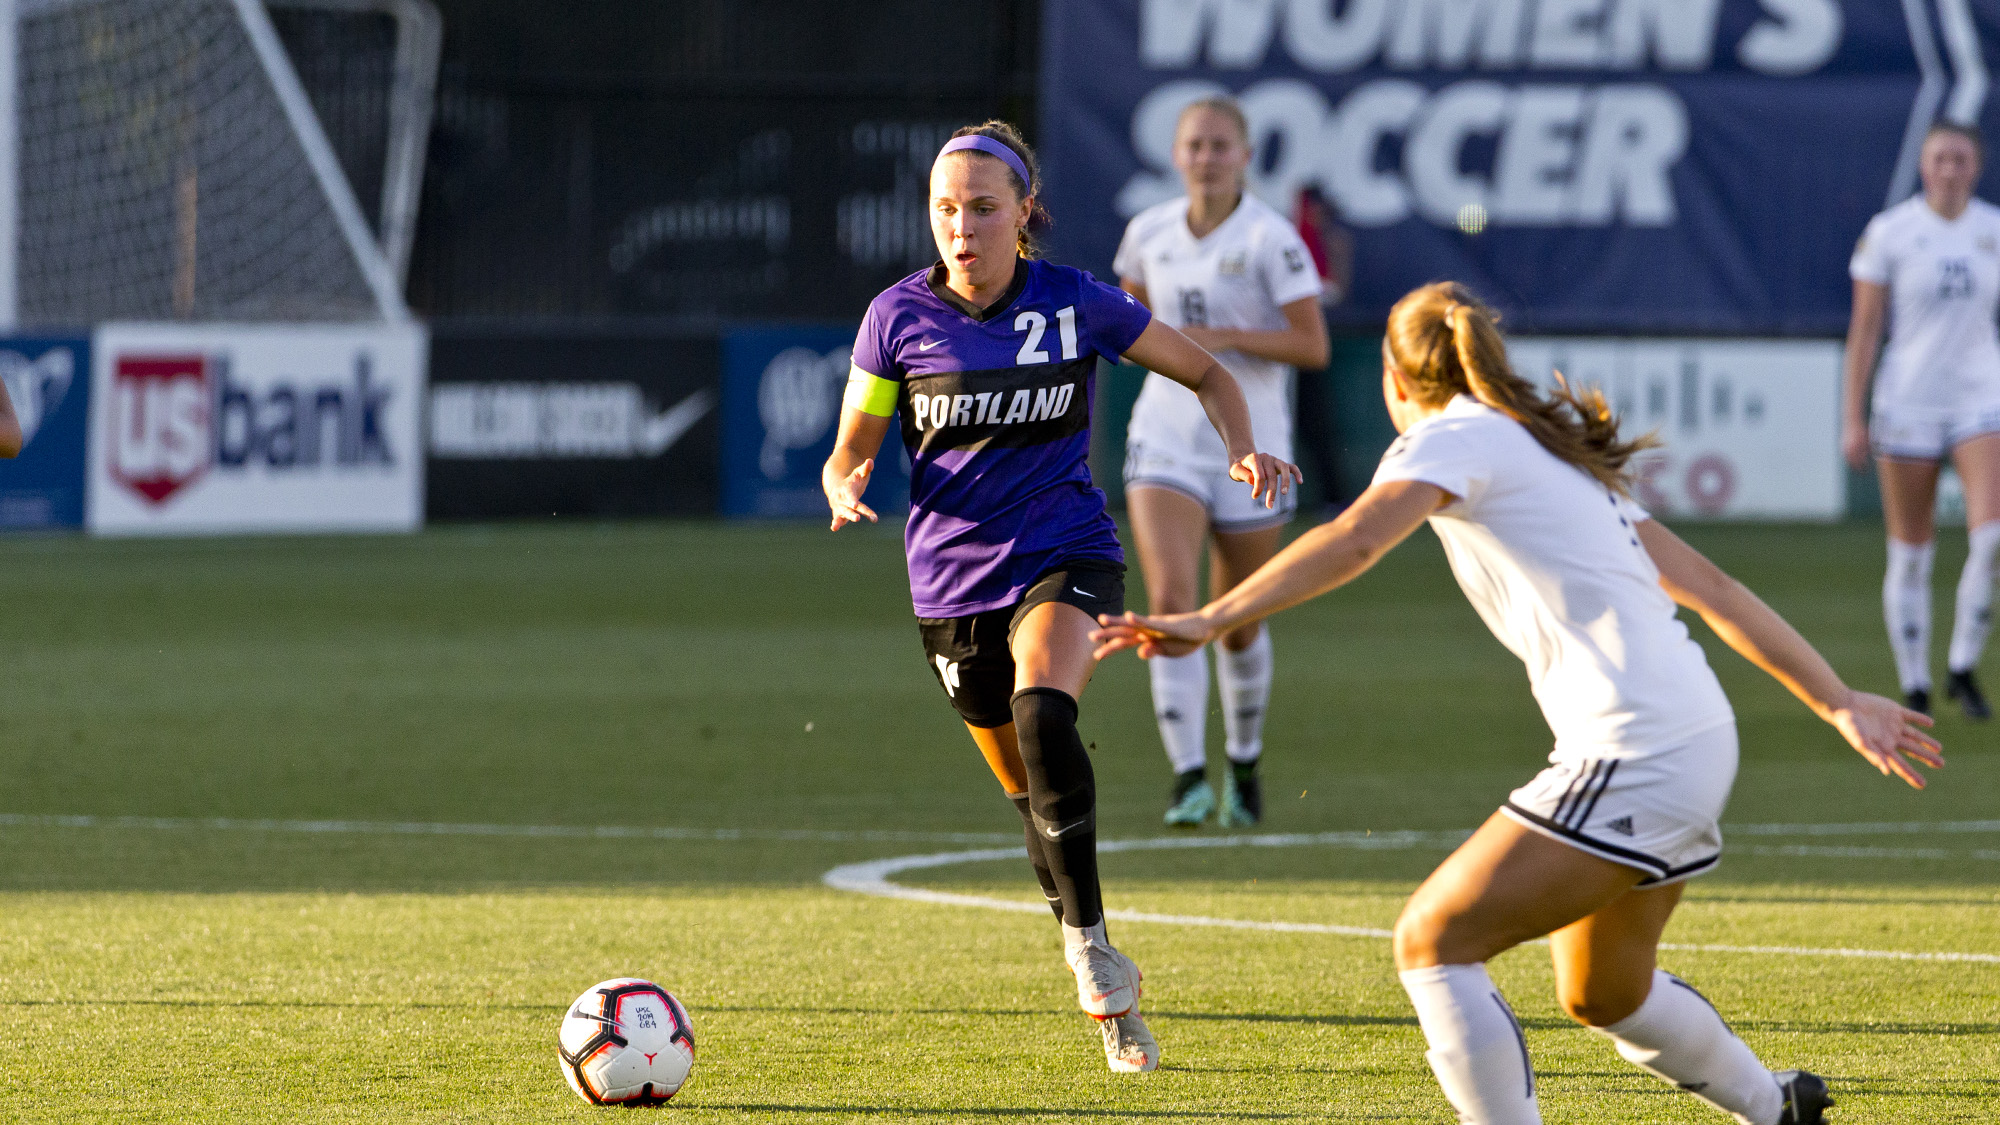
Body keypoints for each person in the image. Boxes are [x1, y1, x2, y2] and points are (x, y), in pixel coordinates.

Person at [1093, 282, 1943, 1124]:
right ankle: (1778, 1107)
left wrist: (1212, 615)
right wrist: (1834, 700)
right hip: (1695, 736)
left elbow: (1354, 538)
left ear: (1394, 379)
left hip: (1634, 748)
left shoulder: (1450, 435)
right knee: (1606, 991)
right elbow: (1715, 589)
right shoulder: (1549, 454)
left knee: (1432, 943)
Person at [823, 121, 1300, 1074]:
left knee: (1045, 715)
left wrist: (1239, 442)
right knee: (1026, 797)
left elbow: (1204, 368)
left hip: (1065, 549)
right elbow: (857, 439)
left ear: (1024, 213)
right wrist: (844, 478)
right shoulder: (897, 318)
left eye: (983, 210)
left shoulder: (1077, 301)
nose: (961, 229)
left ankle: (1097, 966)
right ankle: (1083, 930)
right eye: (945, 210)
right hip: (949, 584)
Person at [1113, 96, 1330, 828]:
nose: (1206, 157)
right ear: (1176, 155)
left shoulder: (1273, 239)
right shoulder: (1147, 233)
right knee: (1172, 599)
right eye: (1194, 145)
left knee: (1235, 619)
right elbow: (1132, 318)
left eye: (1220, 145)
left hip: (1254, 446)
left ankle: (1243, 760)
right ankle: (1187, 777)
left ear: (1244, 155)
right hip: (1168, 437)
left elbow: (1313, 345)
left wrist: (1221, 337)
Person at [1844, 121, 2000, 719]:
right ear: (1924, 167)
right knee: (1911, 553)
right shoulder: (1891, 233)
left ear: (1976, 167)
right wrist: (1852, 418)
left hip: (1979, 398)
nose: (1950, 168)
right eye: (1940, 158)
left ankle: (1962, 665)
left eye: (1961, 158)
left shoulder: (1991, 230)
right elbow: (1864, 331)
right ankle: (1914, 682)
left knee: (1991, 538)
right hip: (1907, 401)